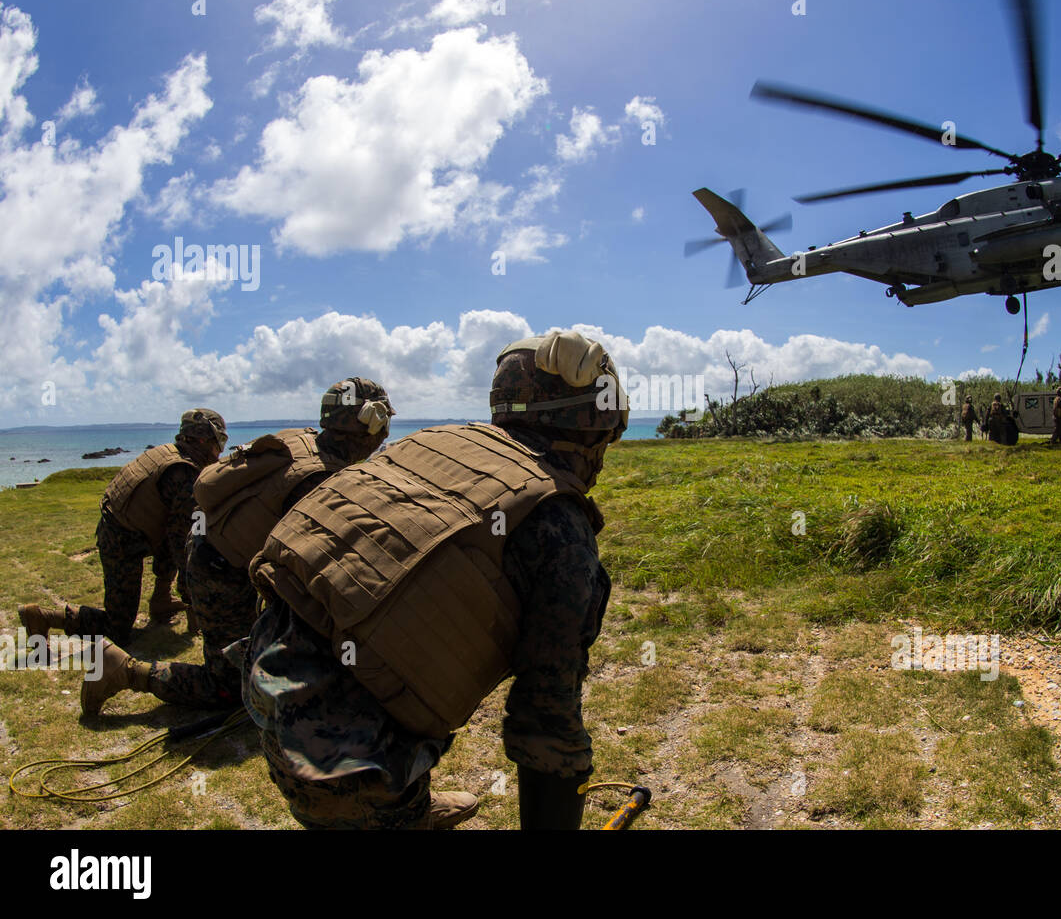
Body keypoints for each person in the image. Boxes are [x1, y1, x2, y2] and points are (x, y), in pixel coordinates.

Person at [243, 330, 626, 830]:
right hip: (341, 765)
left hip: (264, 689)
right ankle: (389, 808)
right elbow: (548, 730)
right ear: (596, 425)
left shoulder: (433, 444)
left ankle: (402, 804)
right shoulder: (559, 525)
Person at [78, 379, 394, 718]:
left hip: (218, 552)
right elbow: (312, 568)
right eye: (383, 426)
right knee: (228, 687)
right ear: (371, 425)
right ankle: (124, 670)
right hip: (221, 571)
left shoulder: (301, 440)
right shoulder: (318, 479)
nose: (385, 437)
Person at [19, 409, 226, 648]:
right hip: (121, 541)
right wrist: (193, 598)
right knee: (118, 627)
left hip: (129, 528)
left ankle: (161, 600)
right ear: (202, 440)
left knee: (172, 540)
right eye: (218, 442)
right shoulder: (184, 474)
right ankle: (45, 617)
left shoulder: (168, 453)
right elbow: (183, 544)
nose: (219, 451)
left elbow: (173, 534)